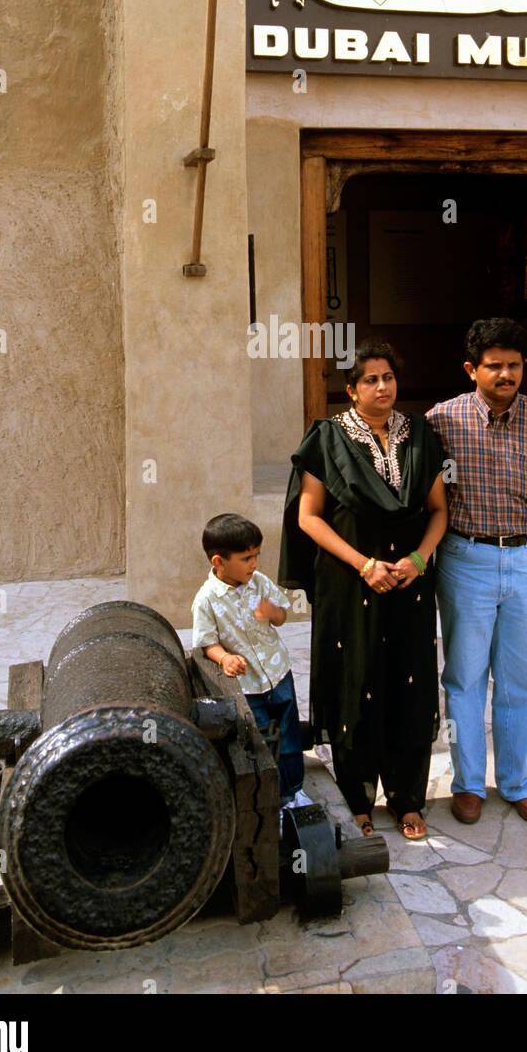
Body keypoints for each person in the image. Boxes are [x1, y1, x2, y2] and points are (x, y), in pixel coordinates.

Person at [280, 340, 448, 840]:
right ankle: (358, 798)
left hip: (409, 584)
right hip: (350, 582)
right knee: (356, 682)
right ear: (351, 390)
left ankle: (407, 799)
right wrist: (363, 564)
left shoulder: (419, 435)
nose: (382, 387)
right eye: (370, 380)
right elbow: (308, 518)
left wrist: (419, 558)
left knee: (407, 684)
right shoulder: (327, 440)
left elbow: (439, 509)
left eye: (388, 377)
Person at [427, 317, 527, 827]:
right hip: (466, 559)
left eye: (513, 365)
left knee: (523, 679)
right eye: (494, 366)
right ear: (472, 369)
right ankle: (468, 784)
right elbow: (428, 496)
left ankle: (518, 782)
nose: (505, 374)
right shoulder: (441, 422)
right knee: (465, 677)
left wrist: (520, 535)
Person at [191, 512, 311, 811]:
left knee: (289, 734)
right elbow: (206, 643)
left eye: (256, 555)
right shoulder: (207, 599)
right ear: (218, 561)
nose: (254, 564)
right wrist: (225, 658)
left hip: (277, 673)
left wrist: (273, 613)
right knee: (261, 742)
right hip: (248, 687)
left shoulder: (259, 583)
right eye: (246, 558)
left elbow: (282, 616)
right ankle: (270, 799)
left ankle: (294, 791)